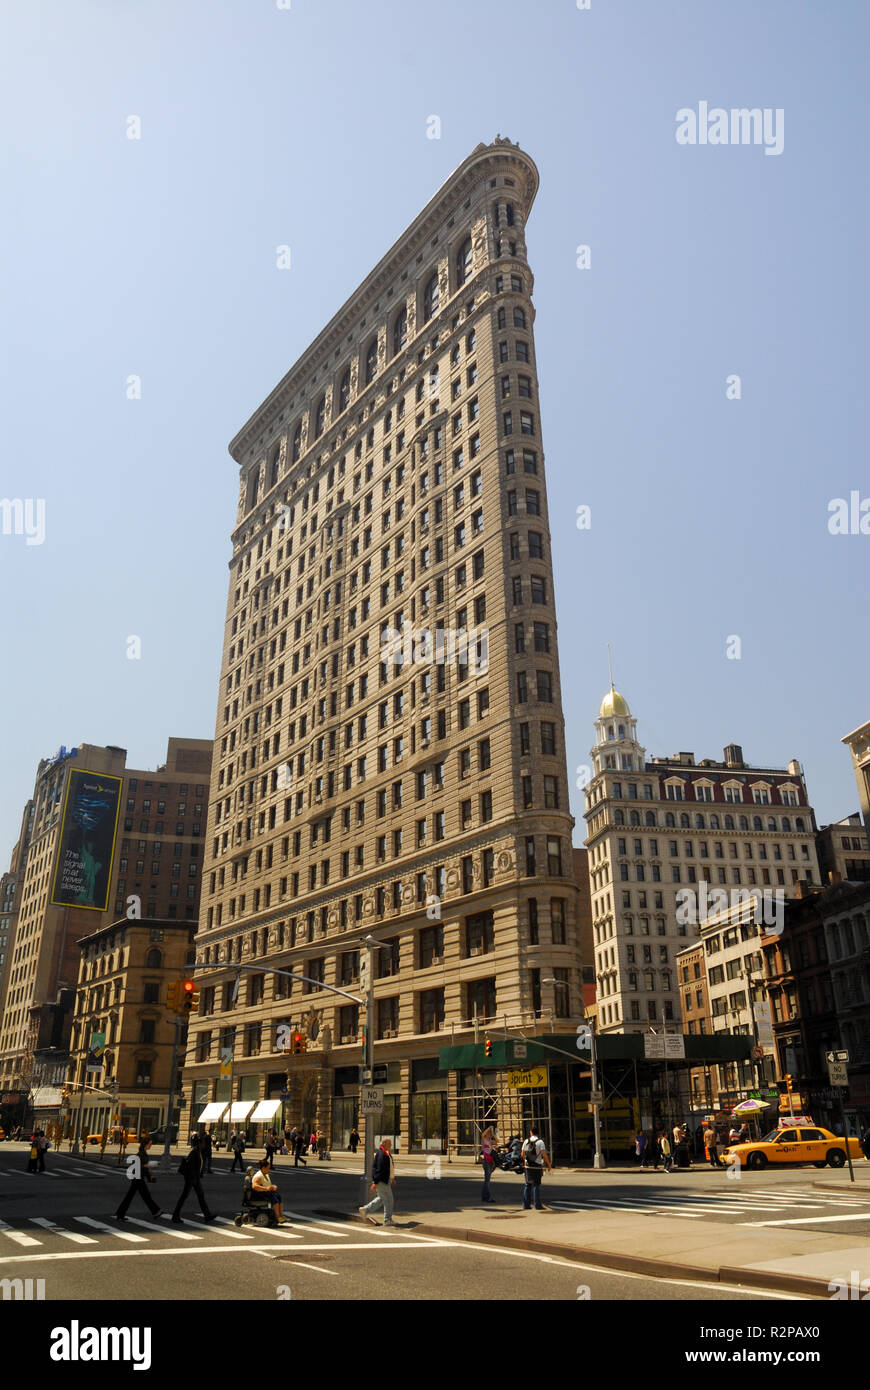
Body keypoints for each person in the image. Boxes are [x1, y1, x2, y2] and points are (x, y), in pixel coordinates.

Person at [171, 1136, 217, 1224]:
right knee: (184, 1196)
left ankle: (207, 1215)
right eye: (203, 1143)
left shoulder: (199, 1151)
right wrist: (194, 1178)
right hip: (191, 1179)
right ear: (199, 1144)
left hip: (195, 1178)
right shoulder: (194, 1152)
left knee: (201, 1196)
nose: (204, 1145)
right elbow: (191, 1166)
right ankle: (175, 1216)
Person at [116, 1137, 162, 1221]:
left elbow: (145, 1168)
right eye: (150, 1144)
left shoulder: (143, 1153)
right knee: (144, 1196)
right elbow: (136, 1165)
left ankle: (120, 1214)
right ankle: (156, 1212)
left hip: (139, 1177)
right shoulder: (140, 1154)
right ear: (145, 1144)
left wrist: (149, 1176)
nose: (150, 1146)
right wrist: (145, 1166)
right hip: (137, 1177)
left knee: (140, 1196)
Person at [359, 1138, 397, 1226]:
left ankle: (365, 1209)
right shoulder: (381, 1154)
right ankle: (388, 1220)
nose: (391, 1145)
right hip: (382, 1181)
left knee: (381, 1199)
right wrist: (375, 1182)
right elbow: (379, 1169)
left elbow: (389, 1168)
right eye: (389, 1143)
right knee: (389, 1200)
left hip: (384, 1180)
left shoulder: (385, 1153)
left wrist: (392, 1178)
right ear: (384, 1144)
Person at [521, 1127, 551, 1210]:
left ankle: (526, 1204)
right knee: (536, 1185)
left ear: (531, 1132)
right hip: (537, 1165)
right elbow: (544, 1154)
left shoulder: (526, 1141)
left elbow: (522, 1154)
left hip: (528, 1165)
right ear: (538, 1133)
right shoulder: (540, 1142)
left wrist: (524, 1163)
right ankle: (537, 1205)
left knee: (527, 1184)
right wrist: (549, 1164)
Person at [251, 1157, 287, 1223]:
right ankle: (277, 1217)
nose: (269, 1170)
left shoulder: (266, 1174)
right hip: (260, 1195)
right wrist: (266, 1189)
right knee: (275, 1200)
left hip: (267, 1193)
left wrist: (272, 1187)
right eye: (268, 1168)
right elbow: (254, 1186)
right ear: (263, 1168)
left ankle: (281, 1216)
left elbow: (267, 1185)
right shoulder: (258, 1176)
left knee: (279, 1197)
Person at [480, 1126, 497, 1203]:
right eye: (489, 1133)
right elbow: (483, 1134)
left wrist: (493, 1134)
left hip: (490, 1162)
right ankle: (487, 1197)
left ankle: (484, 1196)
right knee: (487, 1181)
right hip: (486, 1162)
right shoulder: (484, 1140)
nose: (489, 1134)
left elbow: (496, 1141)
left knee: (487, 1181)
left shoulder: (489, 1141)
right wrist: (489, 1128)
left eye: (490, 1134)